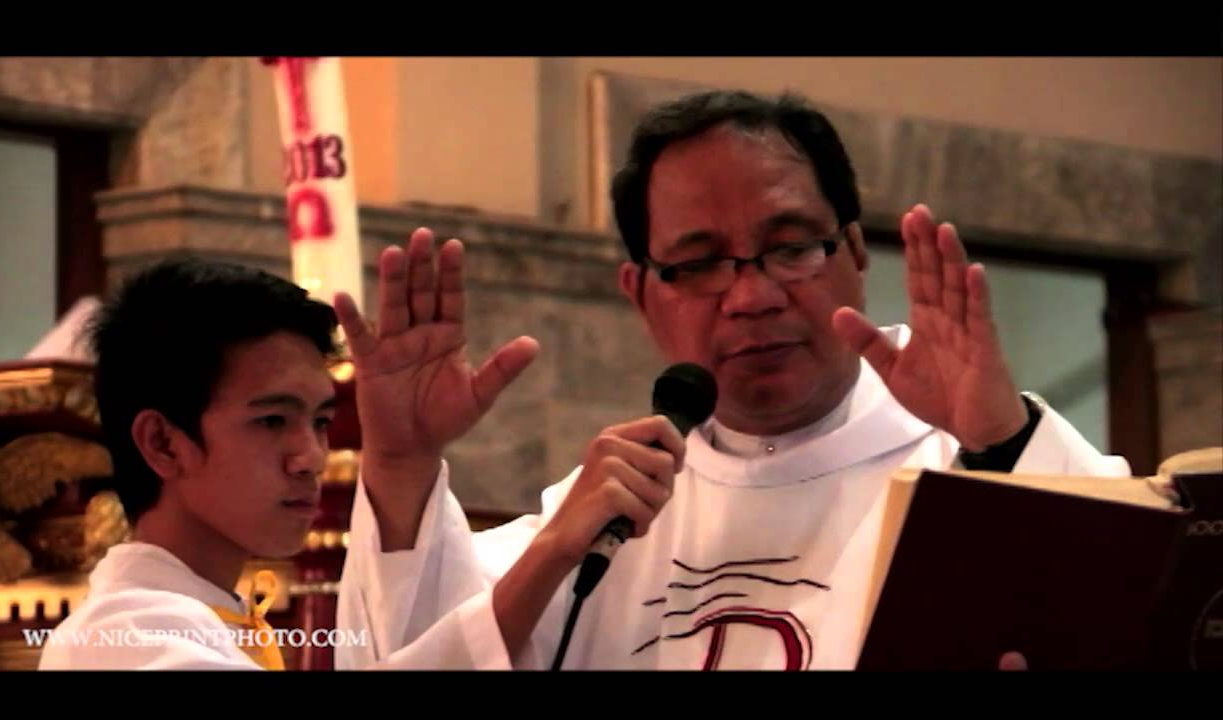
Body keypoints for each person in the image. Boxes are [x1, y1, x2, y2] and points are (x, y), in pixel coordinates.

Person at [333, 89, 1130, 671]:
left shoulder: (977, 453)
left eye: (790, 246)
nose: (752, 297)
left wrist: (998, 438)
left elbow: (1139, 613)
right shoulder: (603, 520)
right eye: (701, 262)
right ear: (642, 296)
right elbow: (407, 662)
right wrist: (399, 464)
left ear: (854, 254)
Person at [38, 259, 508, 670]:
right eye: (272, 421)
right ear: (163, 443)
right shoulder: (122, 642)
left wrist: (406, 456)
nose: (313, 458)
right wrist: (554, 549)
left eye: (321, 421)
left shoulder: (210, 617)